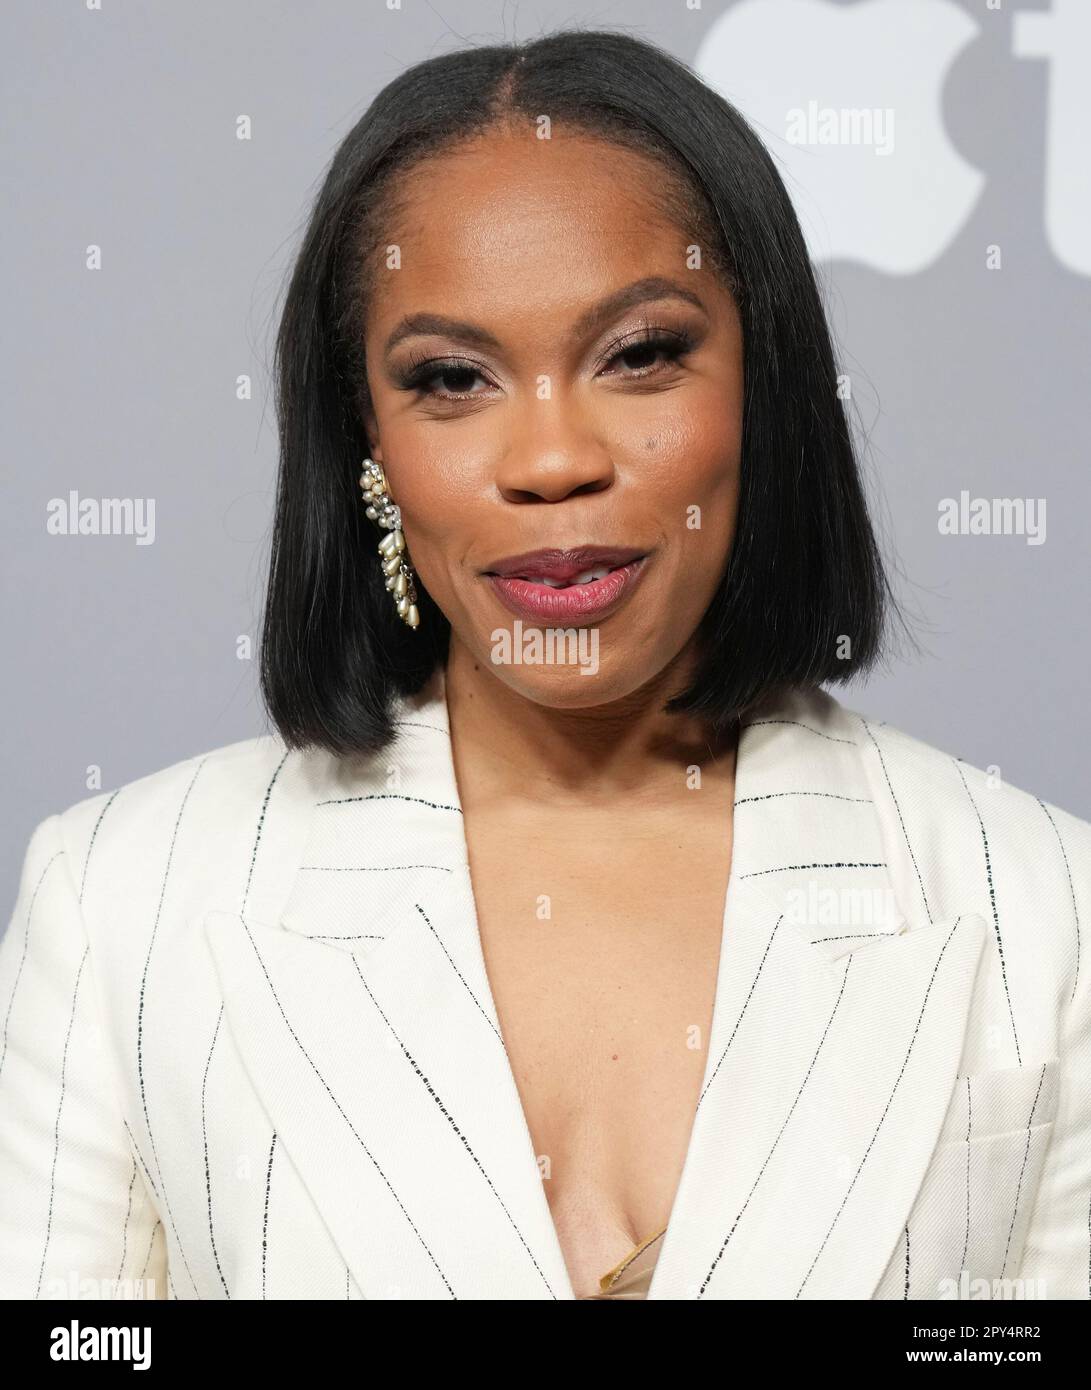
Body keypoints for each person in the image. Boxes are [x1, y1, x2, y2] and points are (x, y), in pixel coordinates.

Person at [1, 29, 1088, 1302]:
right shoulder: (121, 902)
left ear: (764, 387)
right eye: (451, 378)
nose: (552, 458)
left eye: (637, 355)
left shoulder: (1046, 903)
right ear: (369, 446)